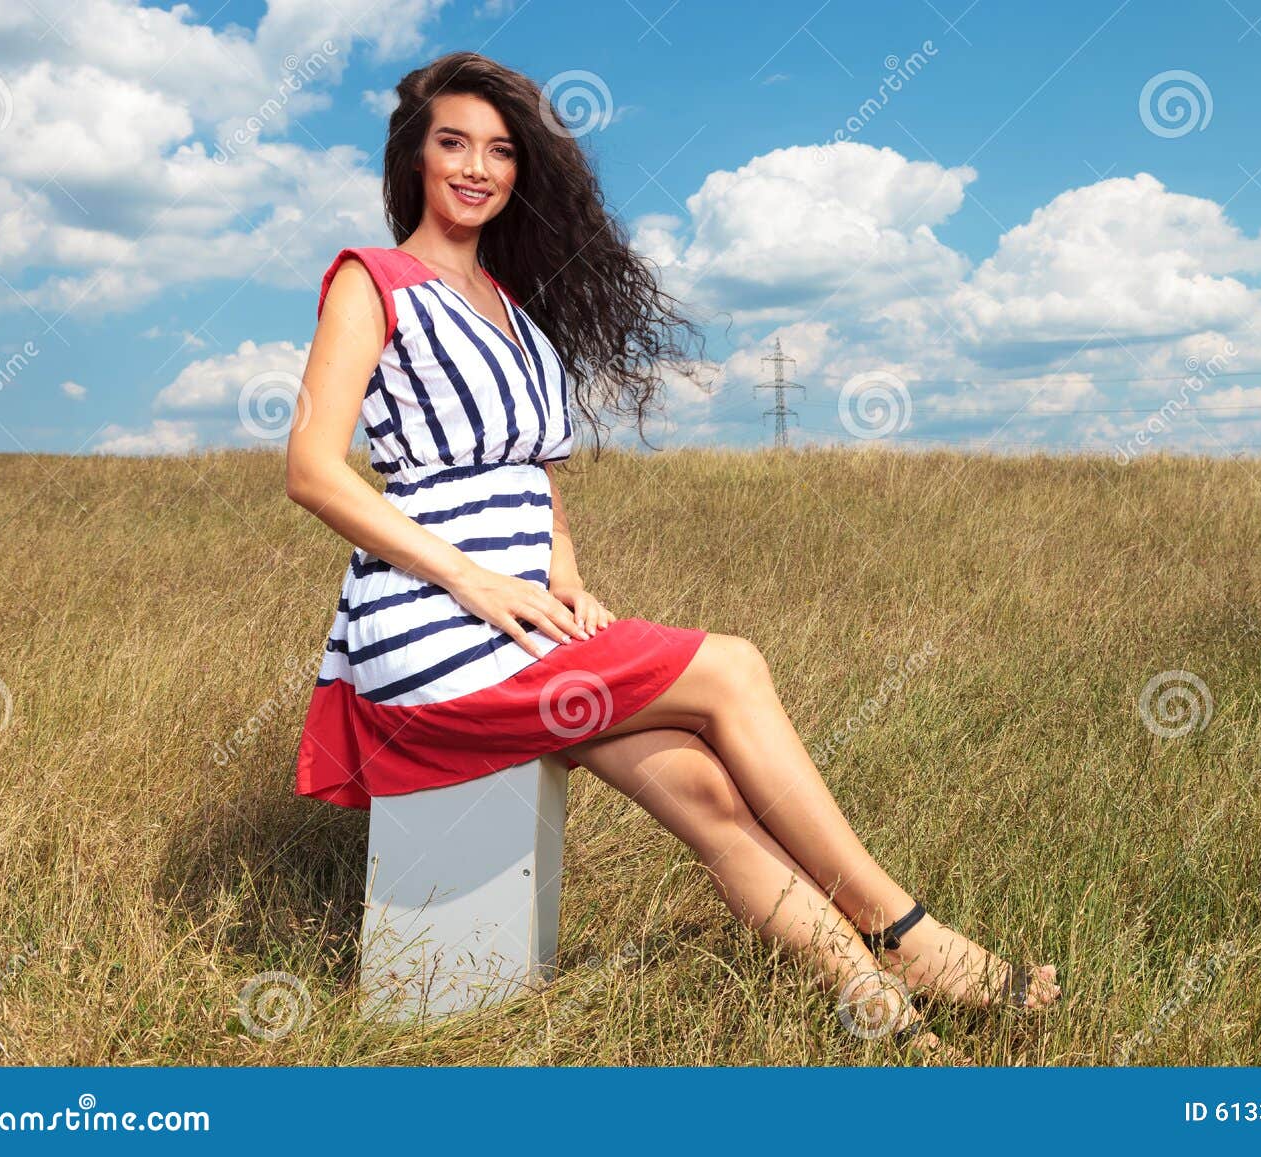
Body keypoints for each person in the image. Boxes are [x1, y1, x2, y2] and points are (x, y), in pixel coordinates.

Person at [285, 50, 1060, 1064]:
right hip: (436, 629)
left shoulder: (516, 312)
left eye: (500, 150)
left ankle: (882, 1014)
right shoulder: (370, 278)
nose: (476, 166)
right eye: (452, 143)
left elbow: (538, 477)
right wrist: (468, 573)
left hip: (530, 625)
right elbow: (311, 467)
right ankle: (912, 938)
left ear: (521, 171)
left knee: (705, 791)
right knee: (731, 664)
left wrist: (564, 569)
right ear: (413, 157)